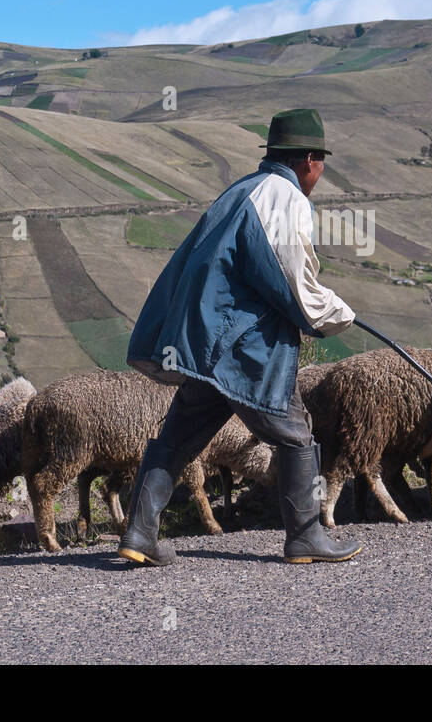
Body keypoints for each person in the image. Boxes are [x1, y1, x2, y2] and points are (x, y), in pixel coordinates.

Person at [123, 108, 361, 566]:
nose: (321, 172)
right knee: (295, 434)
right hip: (244, 347)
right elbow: (296, 282)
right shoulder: (284, 199)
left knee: (178, 437)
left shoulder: (239, 192)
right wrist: (339, 314)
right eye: (321, 162)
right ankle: (305, 536)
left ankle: (139, 533)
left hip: (204, 343)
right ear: (310, 159)